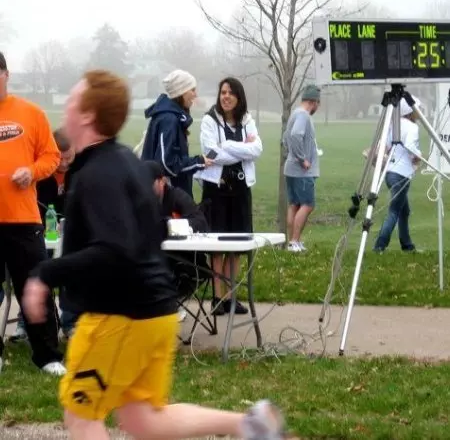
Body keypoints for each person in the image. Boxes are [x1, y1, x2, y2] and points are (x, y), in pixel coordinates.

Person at [22, 69, 285, 440]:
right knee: (144, 419)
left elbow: (114, 250)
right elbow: (154, 230)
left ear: (86, 114)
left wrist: (45, 276)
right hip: (158, 313)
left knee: (82, 415)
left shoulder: (97, 173)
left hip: (118, 318)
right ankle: (249, 425)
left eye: (72, 99)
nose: (65, 105)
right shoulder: (128, 164)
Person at [0, 51, 65, 375]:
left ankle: (48, 355)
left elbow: (52, 156)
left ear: (6, 75)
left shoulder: (32, 114)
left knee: (35, 286)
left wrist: (31, 171)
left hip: (24, 219)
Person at [195, 77, 262, 316]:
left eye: (231, 92)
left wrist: (228, 146)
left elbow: (257, 149)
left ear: (239, 97)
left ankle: (231, 297)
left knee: (236, 246)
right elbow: (211, 153)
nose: (226, 96)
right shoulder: (209, 120)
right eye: (223, 92)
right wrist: (242, 148)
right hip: (217, 189)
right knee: (217, 246)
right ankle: (217, 297)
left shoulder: (247, 120)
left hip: (241, 190)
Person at [10, 128, 78, 342]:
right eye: (61, 158)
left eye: (69, 157)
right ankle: (26, 322)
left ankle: (70, 322)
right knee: (33, 272)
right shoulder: (40, 174)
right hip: (39, 234)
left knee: (71, 269)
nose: (65, 163)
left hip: (71, 236)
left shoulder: (81, 172)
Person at [146, 160, 209, 322]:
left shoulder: (177, 197)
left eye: (149, 183)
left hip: (184, 261)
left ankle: (169, 304)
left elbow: (200, 222)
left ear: (162, 181)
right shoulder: (139, 200)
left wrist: (171, 225)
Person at [141, 69, 213, 198]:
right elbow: (166, 164)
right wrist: (198, 162)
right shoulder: (169, 119)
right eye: (192, 90)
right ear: (182, 92)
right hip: (167, 199)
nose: (195, 95)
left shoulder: (170, 116)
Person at [373, 96, 422, 253]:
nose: (418, 113)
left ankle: (407, 245)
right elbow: (410, 148)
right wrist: (418, 155)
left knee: (404, 210)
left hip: (390, 173)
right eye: (416, 109)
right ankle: (380, 245)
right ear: (410, 111)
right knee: (394, 210)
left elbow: (385, 147)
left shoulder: (393, 125)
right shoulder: (412, 128)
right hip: (402, 175)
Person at [283, 84, 321, 253]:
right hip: (301, 170)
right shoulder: (303, 116)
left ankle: (293, 242)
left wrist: (292, 154)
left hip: (291, 169)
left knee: (294, 205)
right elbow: (295, 136)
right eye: (318, 104)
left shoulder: (294, 115)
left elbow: (286, 138)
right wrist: (302, 158)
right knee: (307, 204)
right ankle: (294, 241)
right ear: (314, 102)